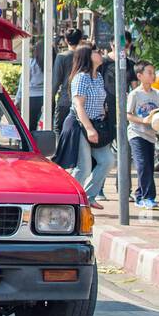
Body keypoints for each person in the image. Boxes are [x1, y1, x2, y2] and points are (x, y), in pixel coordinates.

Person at [68, 44, 113, 210]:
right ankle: (69, 199)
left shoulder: (98, 77)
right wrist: (89, 128)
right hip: (80, 125)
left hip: (97, 124)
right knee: (84, 167)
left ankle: (88, 196)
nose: (99, 53)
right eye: (95, 51)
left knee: (107, 161)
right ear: (87, 56)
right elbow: (78, 106)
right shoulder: (81, 77)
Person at [125, 60, 159, 209]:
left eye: (153, 72)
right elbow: (128, 115)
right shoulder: (135, 94)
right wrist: (143, 120)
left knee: (148, 165)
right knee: (142, 165)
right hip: (136, 133)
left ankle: (139, 194)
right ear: (139, 76)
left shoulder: (158, 94)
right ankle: (148, 197)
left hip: (151, 135)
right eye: (149, 72)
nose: (152, 75)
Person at [51, 28, 84, 136]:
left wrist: (49, 99)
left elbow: (56, 81)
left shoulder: (62, 57)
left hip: (64, 100)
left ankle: (60, 152)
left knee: (59, 131)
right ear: (80, 40)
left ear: (66, 40)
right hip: (83, 101)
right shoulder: (85, 56)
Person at [16, 50, 44, 131]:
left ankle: (31, 143)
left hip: (30, 97)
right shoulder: (50, 63)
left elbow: (23, 82)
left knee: (29, 127)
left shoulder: (31, 62)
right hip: (45, 96)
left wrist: (18, 99)